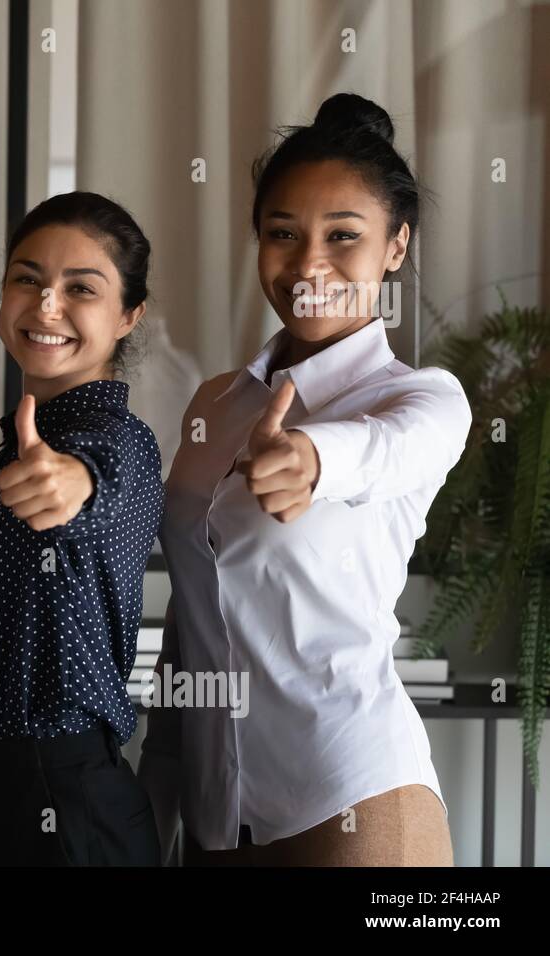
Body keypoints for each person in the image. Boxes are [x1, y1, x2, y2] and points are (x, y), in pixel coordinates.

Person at [140, 93, 468, 866]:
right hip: (217, 816)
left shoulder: (419, 399)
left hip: (353, 801)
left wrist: (313, 460)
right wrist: (156, 794)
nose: (309, 265)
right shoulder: (215, 403)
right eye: (282, 234)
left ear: (395, 247)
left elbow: (385, 449)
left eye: (343, 237)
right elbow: (192, 622)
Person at [0, 192, 164, 866]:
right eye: (27, 279)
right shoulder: (15, 451)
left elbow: (100, 480)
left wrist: (74, 486)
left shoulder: (116, 441)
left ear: (128, 315)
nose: (47, 304)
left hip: (60, 800)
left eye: (81, 288)